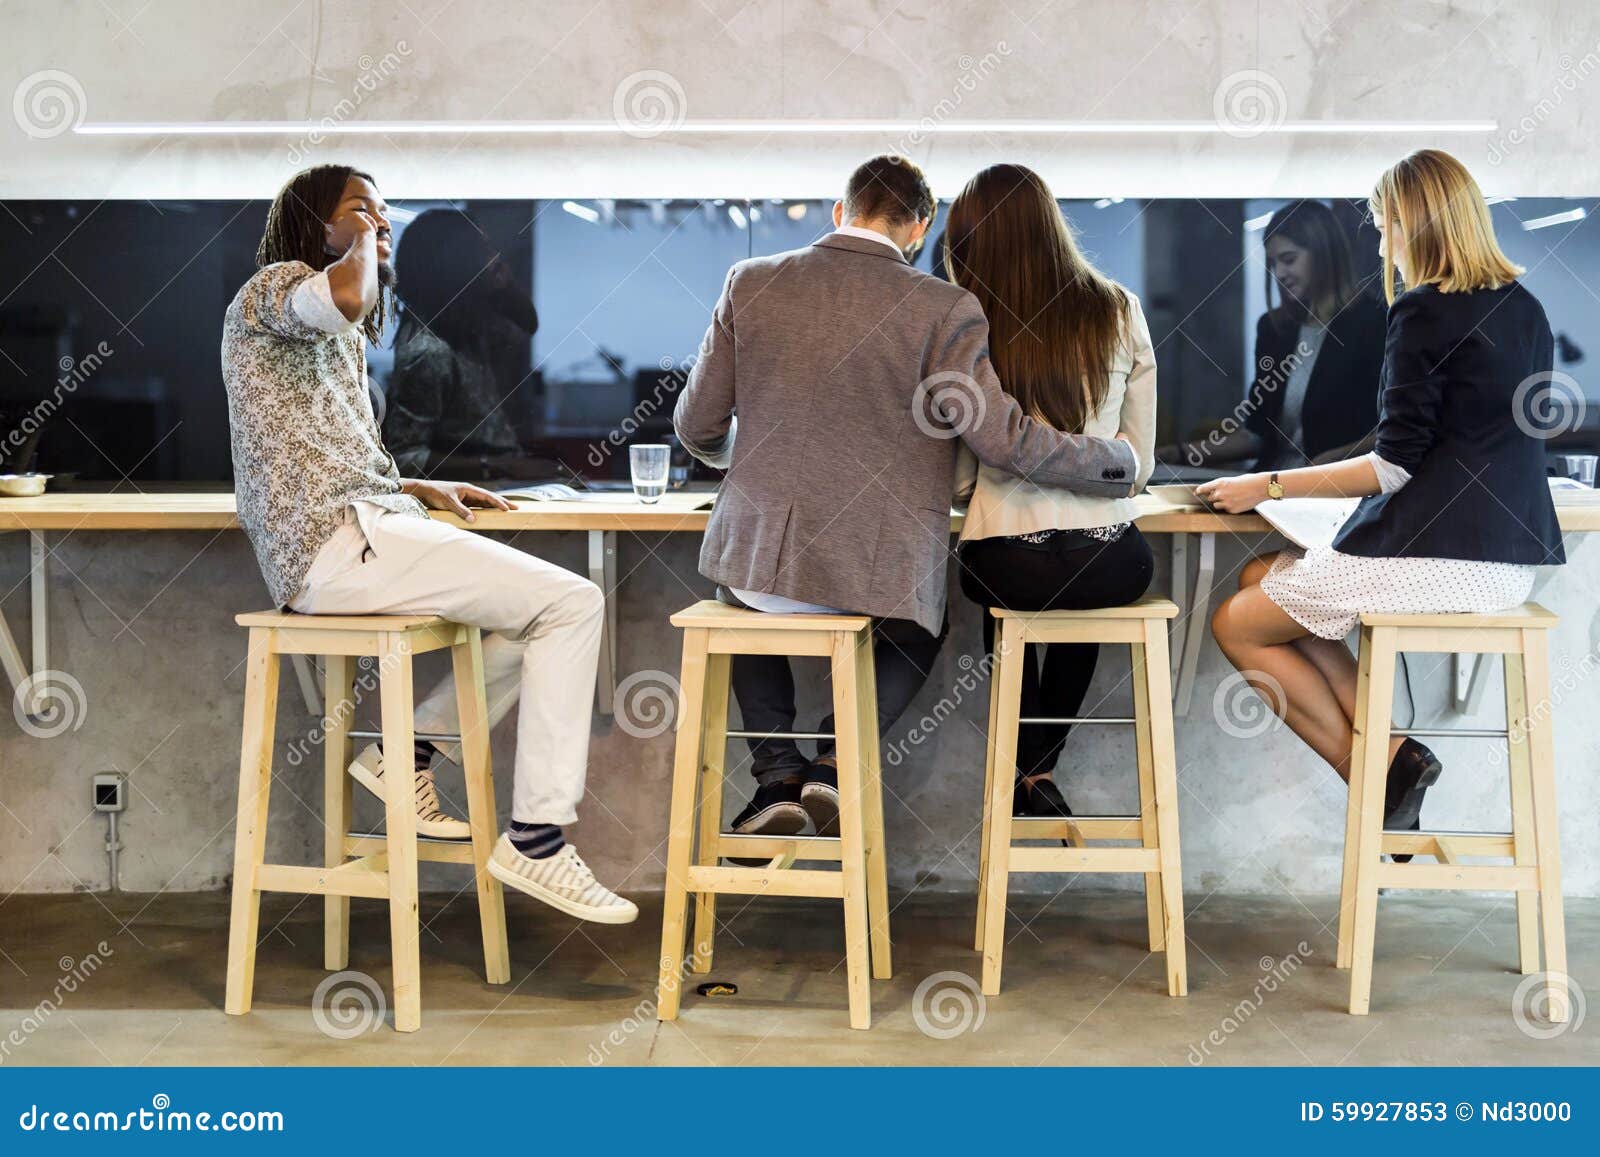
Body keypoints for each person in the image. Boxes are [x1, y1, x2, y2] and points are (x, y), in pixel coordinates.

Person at [674, 154, 1139, 839]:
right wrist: (1114, 462)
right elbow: (1003, 440)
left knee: (735, 597)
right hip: (877, 579)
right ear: (919, 229)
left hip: (761, 569)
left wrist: (738, 459)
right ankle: (834, 761)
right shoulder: (944, 307)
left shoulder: (751, 282)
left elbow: (696, 427)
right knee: (923, 624)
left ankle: (775, 774)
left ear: (841, 210)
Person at [221, 164, 635, 924]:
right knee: (573, 603)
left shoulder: (333, 334)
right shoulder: (272, 289)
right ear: (317, 225)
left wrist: (415, 487)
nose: (382, 226)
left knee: (530, 621)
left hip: (363, 530)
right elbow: (347, 292)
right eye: (362, 211)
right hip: (334, 549)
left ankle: (405, 756)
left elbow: (339, 453)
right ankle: (537, 840)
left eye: (385, 215)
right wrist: (358, 245)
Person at [1199, 148, 1565, 834]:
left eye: (1383, 225)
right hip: (1507, 564)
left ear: (1411, 224)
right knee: (1259, 575)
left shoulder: (1424, 309)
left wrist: (1266, 484)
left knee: (1235, 621)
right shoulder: (1526, 307)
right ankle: (1396, 761)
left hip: (1443, 559)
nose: (1381, 242)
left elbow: (1393, 466)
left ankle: (1375, 775)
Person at [949, 164, 1157, 819]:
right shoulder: (1120, 308)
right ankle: (1038, 770)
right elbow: (1137, 462)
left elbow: (958, 477)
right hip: (1112, 562)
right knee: (1080, 587)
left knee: (1007, 585)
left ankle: (1024, 764)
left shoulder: (965, 325)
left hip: (1004, 563)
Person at [1158, 200, 1386, 470]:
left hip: (1333, 494)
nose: (1279, 273)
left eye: (1289, 260)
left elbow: (1388, 433)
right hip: (1272, 488)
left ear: (1324, 255)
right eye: (1272, 263)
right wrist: (1180, 453)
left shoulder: (1373, 323)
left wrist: (1332, 462)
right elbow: (1257, 435)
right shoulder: (1274, 329)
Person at [384, 208, 537, 478]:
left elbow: (525, 327)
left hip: (493, 483)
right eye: (485, 249)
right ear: (457, 261)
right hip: (470, 499)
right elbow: (404, 458)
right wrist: (500, 466)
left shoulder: (466, 329)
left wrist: (506, 284)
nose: (496, 258)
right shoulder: (428, 351)